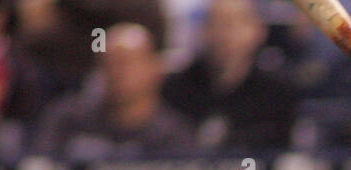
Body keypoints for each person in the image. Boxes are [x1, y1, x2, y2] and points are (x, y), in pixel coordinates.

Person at [32, 22, 194, 160]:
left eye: (126, 63)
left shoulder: (173, 135)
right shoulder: (67, 119)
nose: (116, 72)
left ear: (154, 69)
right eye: (108, 63)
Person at [162, 0, 296, 152]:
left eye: (235, 24)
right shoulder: (175, 89)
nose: (225, 35)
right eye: (216, 24)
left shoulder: (277, 94)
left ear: (258, 31)